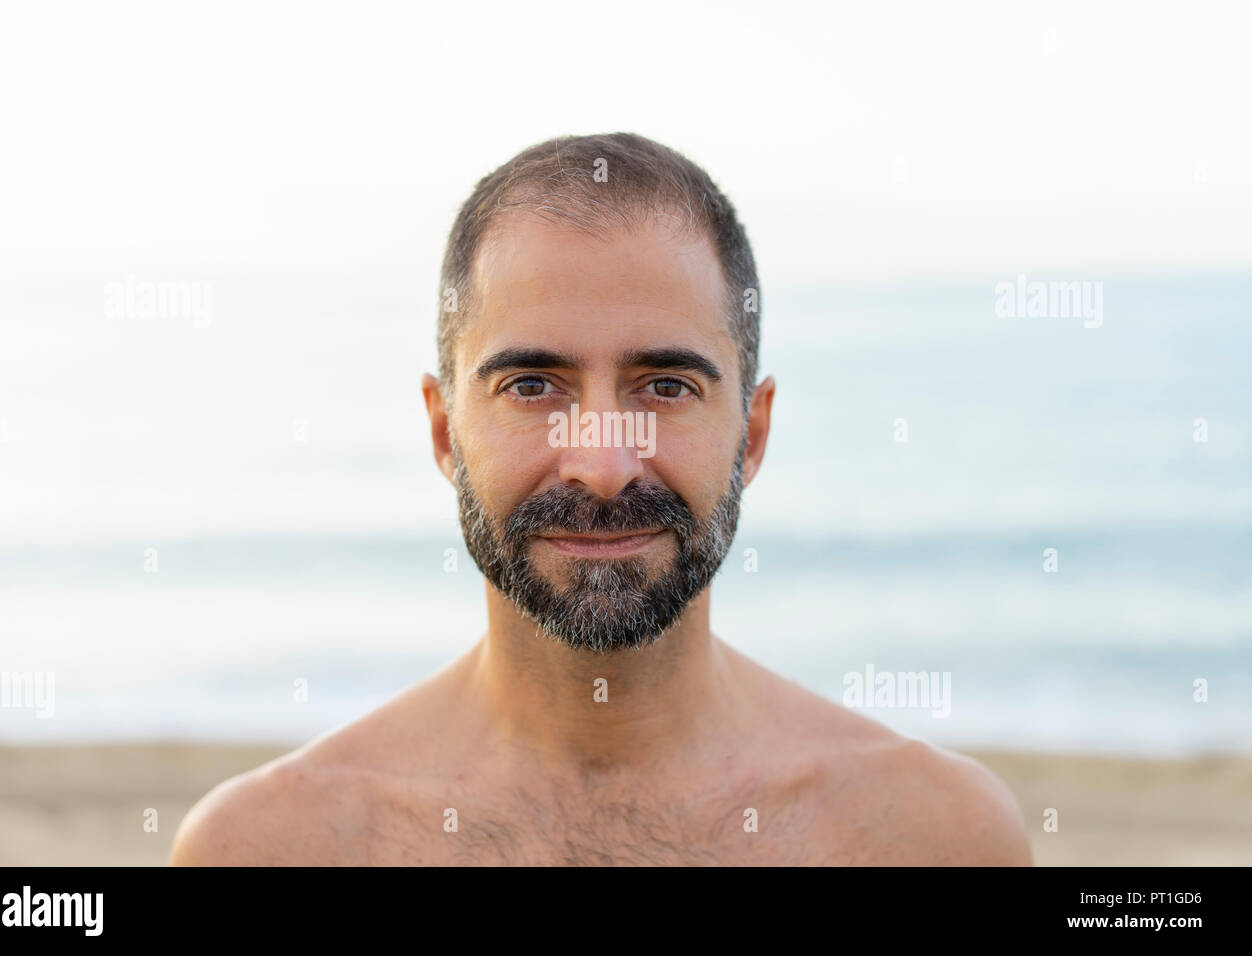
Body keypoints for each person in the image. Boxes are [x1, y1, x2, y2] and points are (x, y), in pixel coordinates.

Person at [170, 133, 1032, 865]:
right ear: (443, 433)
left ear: (753, 434)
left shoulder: (934, 836)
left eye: (664, 386)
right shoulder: (271, 847)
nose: (605, 465)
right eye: (533, 384)